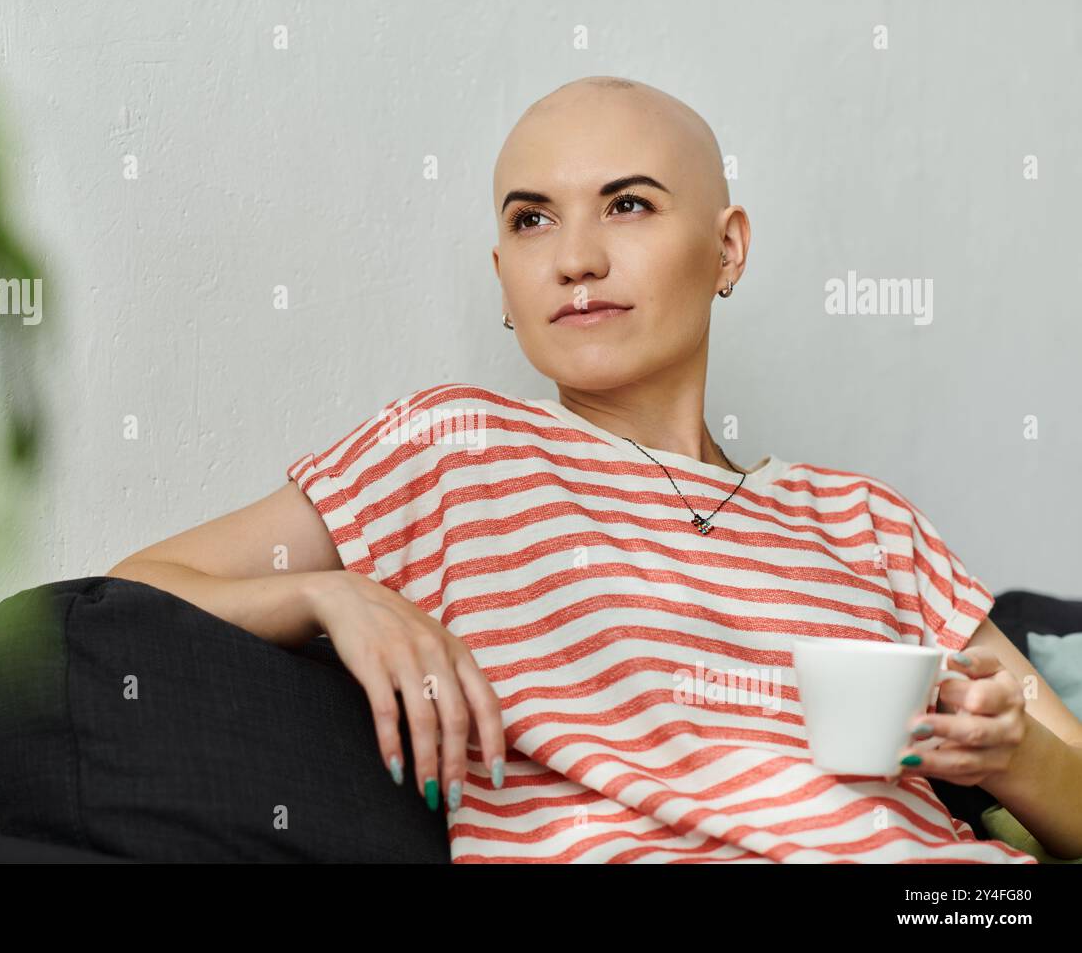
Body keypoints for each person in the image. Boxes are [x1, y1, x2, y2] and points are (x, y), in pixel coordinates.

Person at [107, 76, 1082, 863]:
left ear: (726, 248)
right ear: (503, 281)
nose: (575, 257)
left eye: (626, 204)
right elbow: (127, 593)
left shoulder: (866, 522)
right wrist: (331, 594)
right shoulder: (451, 447)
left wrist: (1009, 751)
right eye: (531, 220)